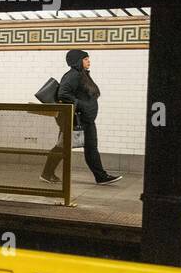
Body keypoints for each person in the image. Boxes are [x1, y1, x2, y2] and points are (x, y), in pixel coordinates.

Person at [41, 49, 121, 186]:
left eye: (88, 58)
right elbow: (63, 94)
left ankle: (100, 176)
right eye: (85, 59)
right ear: (78, 61)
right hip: (76, 120)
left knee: (90, 147)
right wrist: (82, 105)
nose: (88, 61)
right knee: (62, 147)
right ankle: (47, 173)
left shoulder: (82, 74)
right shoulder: (73, 75)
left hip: (85, 120)